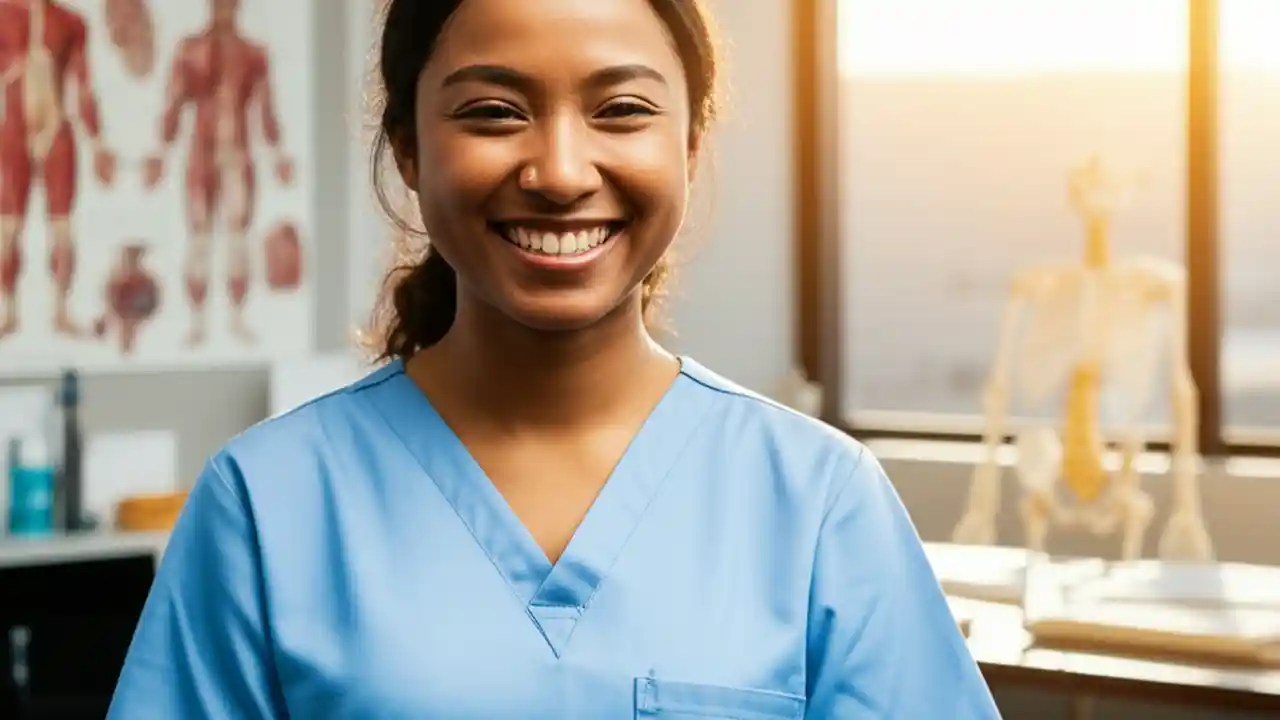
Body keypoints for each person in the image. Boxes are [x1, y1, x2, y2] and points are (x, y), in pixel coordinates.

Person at [107, 0, 1000, 717]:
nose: (561, 172)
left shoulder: (819, 501)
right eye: (495, 112)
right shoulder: (266, 503)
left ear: (690, 145)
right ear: (409, 148)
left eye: (622, 110)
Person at [142, 0, 294, 347]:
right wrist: (161, 153)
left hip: (237, 154)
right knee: (199, 237)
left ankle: (236, 317)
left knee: (237, 239)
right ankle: (198, 320)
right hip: (203, 154)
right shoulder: (191, 50)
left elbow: (266, 110)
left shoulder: (253, 54)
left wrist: (278, 156)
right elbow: (174, 104)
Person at [0, 0, 117, 340]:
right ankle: (8, 309)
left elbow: (83, 84)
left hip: (56, 127)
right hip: (14, 130)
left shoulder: (70, 22)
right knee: (8, 226)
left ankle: (60, 310)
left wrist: (98, 144)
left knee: (62, 225)